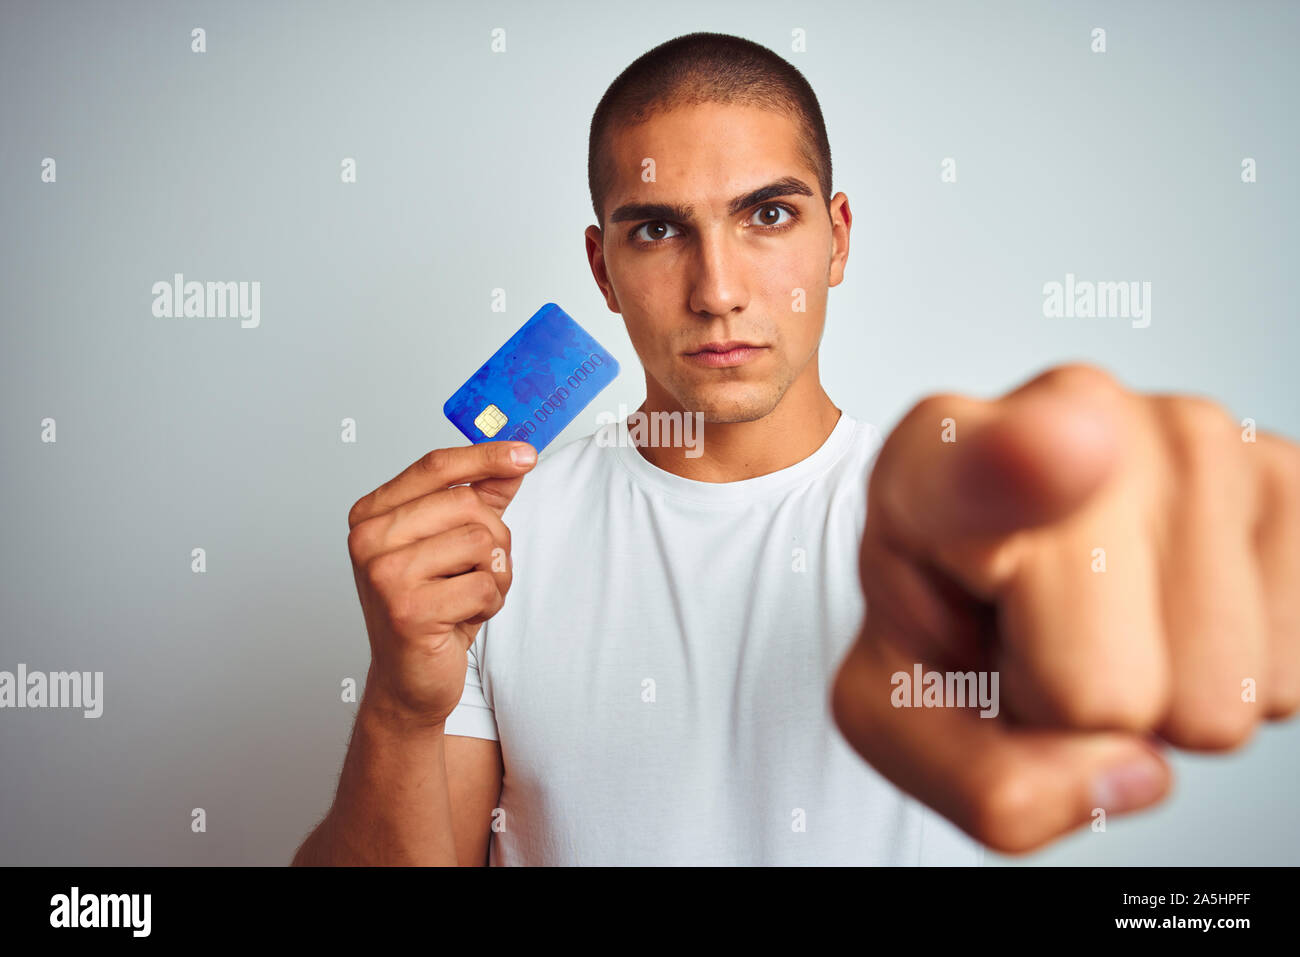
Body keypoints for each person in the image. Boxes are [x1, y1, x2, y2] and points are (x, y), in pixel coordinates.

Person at [292, 32, 1299, 866]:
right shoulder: (491, 549)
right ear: (601, 266)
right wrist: (397, 703)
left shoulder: (945, 532)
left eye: (766, 215)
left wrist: (1104, 533)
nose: (717, 287)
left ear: (838, 239)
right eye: (656, 231)